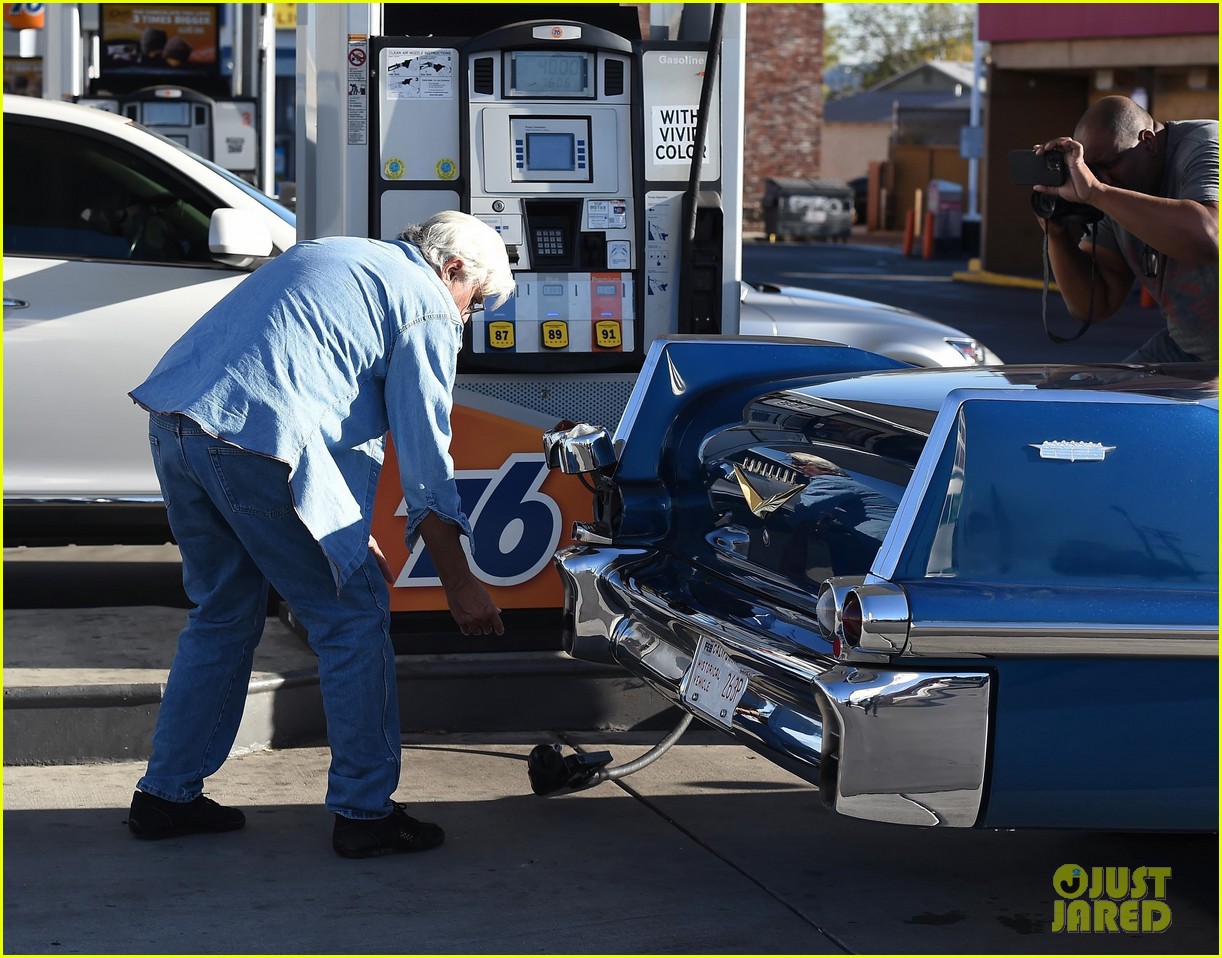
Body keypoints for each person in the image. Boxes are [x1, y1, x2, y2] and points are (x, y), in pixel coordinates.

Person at [125, 211, 514, 858]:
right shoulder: (425, 304)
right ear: (452, 271)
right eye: (475, 302)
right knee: (353, 615)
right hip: (253, 447)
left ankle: (165, 796)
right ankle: (365, 813)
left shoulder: (335, 252)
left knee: (223, 612)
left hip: (178, 422)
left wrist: (341, 528)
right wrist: (461, 584)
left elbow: (291, 371)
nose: (468, 318)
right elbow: (427, 468)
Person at [1033, 95, 1218, 363]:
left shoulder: (1206, 143)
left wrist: (1097, 192)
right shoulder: (1114, 192)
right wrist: (1057, 233)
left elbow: (1210, 238)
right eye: (1092, 171)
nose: (1100, 178)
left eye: (1107, 165)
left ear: (1148, 142)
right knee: (1103, 400)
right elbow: (1095, 304)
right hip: (1191, 351)